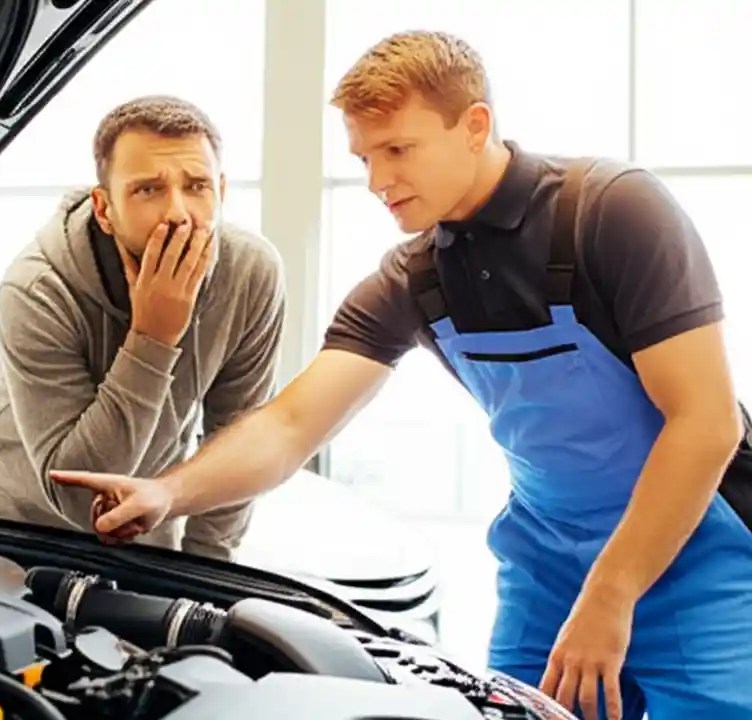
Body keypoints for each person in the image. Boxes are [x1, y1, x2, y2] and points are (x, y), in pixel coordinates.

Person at [52, 30, 752, 720]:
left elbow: (707, 422)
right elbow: (291, 425)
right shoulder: (412, 280)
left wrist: (613, 592)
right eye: (364, 157)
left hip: (698, 561)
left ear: (474, 125)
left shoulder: (612, 212)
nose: (377, 181)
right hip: (548, 566)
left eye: (398, 150)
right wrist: (168, 492)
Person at [0, 94, 287, 562]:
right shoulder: (36, 287)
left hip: (147, 536)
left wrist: (203, 572)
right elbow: (78, 496)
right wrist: (153, 338)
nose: (179, 211)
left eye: (197, 186)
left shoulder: (252, 273)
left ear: (222, 192)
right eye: (148, 189)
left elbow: (238, 439)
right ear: (104, 208)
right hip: (13, 533)